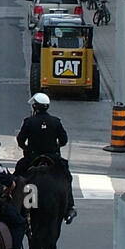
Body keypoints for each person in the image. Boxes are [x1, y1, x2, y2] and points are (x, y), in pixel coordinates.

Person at [14, 92, 77, 223]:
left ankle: (19, 208)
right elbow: (64, 140)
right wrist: (55, 146)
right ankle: (69, 207)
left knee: (18, 176)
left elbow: (20, 140)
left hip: (32, 157)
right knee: (66, 176)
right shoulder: (55, 121)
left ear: (35, 107)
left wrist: (27, 149)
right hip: (53, 158)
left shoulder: (29, 122)